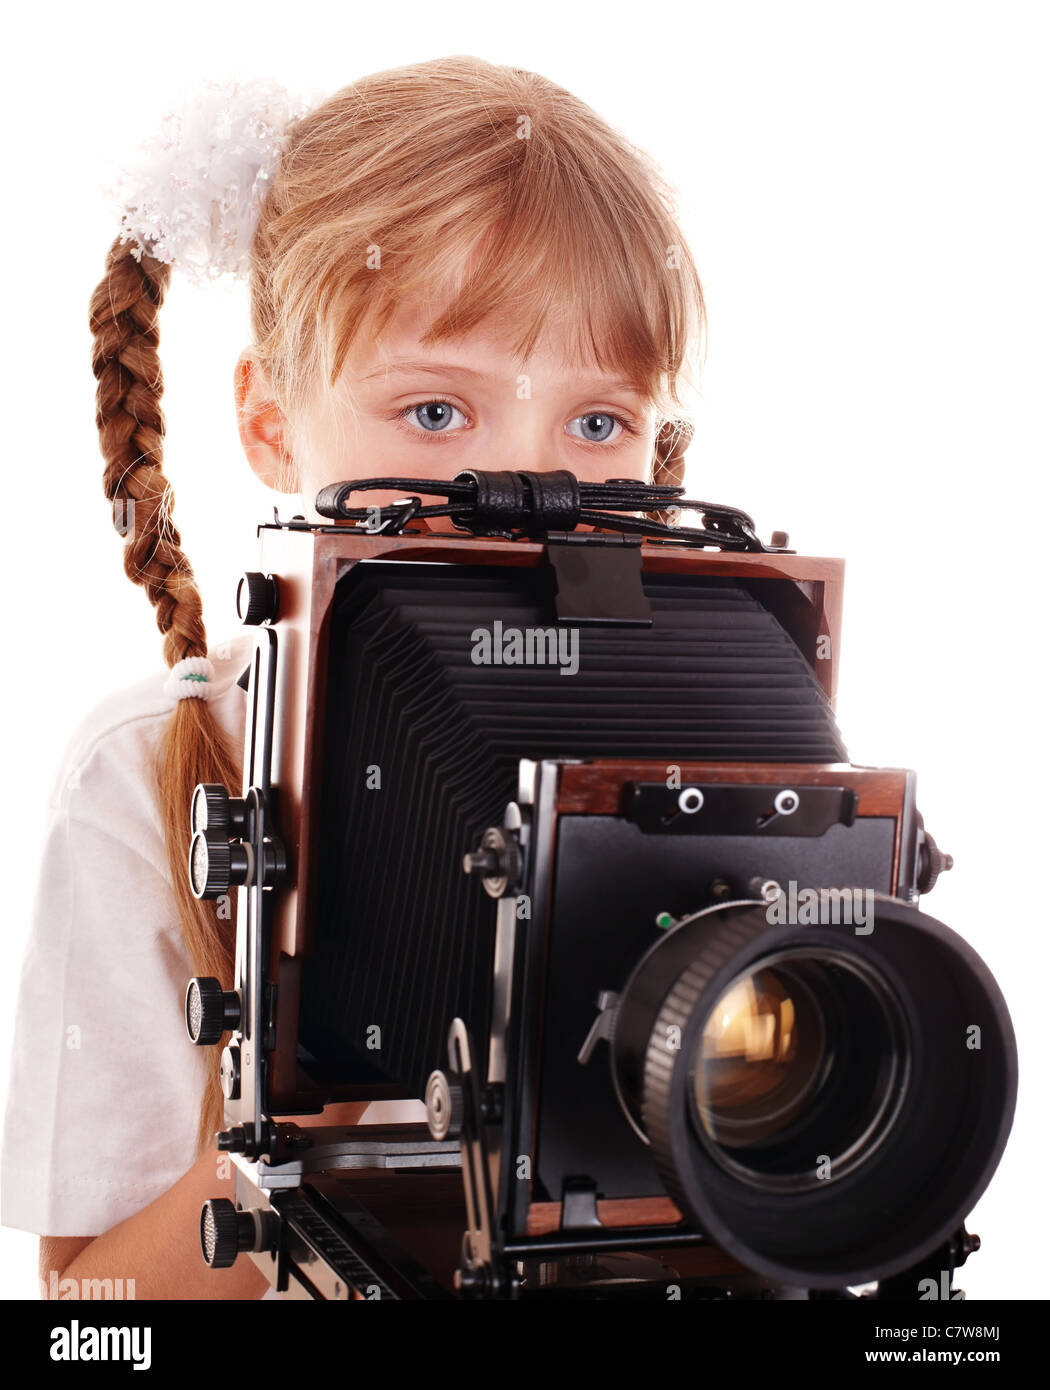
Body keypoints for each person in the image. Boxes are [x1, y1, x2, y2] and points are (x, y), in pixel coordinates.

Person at [1, 53, 705, 1299]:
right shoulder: (151, 771)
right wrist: (308, 1114)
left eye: (596, 423)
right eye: (435, 412)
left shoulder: (704, 747)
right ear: (271, 424)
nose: (524, 490)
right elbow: (85, 1311)